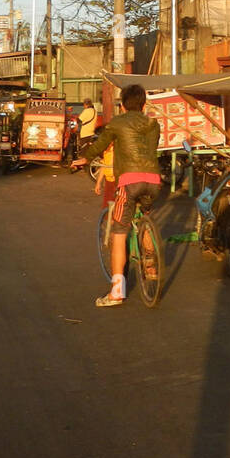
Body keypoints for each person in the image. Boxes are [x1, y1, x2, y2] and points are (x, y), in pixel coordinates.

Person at [72, 84, 161, 306]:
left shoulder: (117, 123)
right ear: (143, 104)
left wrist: (85, 158)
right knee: (145, 217)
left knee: (119, 234)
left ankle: (116, 292)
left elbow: (101, 144)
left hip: (129, 182)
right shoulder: (154, 124)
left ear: (122, 104)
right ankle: (150, 268)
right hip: (154, 181)